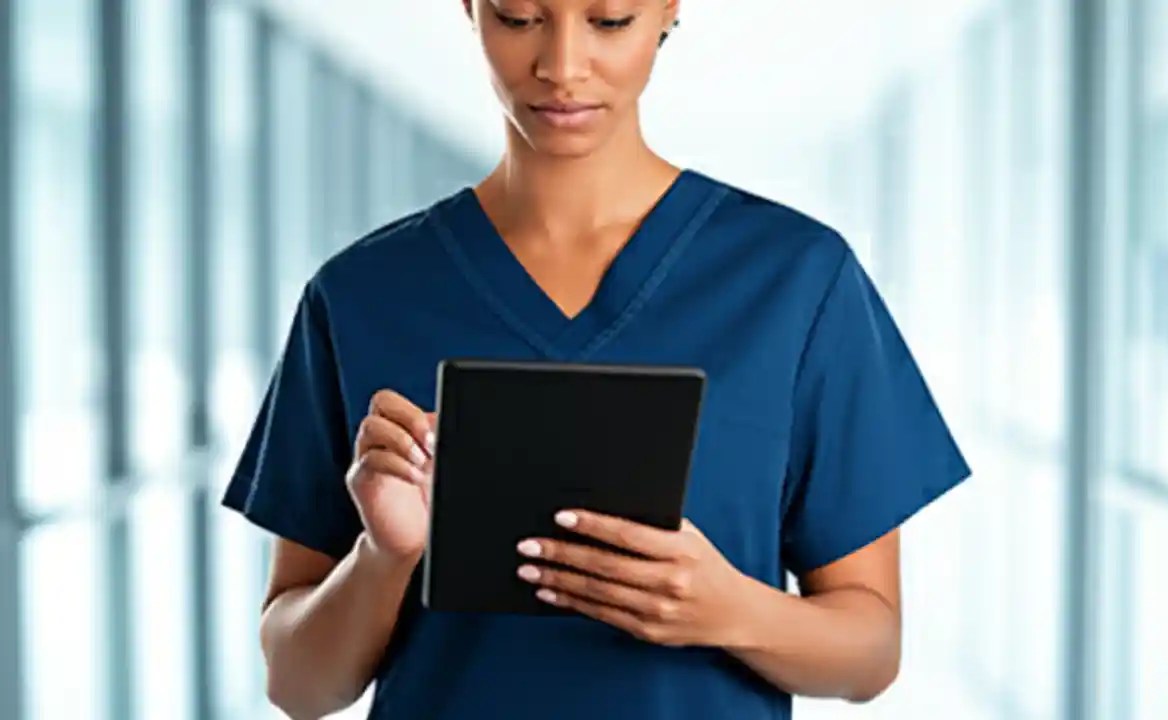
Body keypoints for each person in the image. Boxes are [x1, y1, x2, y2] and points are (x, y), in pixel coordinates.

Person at [220, 1, 972, 718]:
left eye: (610, 21)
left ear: (670, 8)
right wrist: (383, 558)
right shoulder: (361, 296)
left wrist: (730, 609)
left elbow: (871, 654)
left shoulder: (796, 281)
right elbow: (298, 686)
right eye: (518, 18)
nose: (562, 65)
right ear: (469, 6)